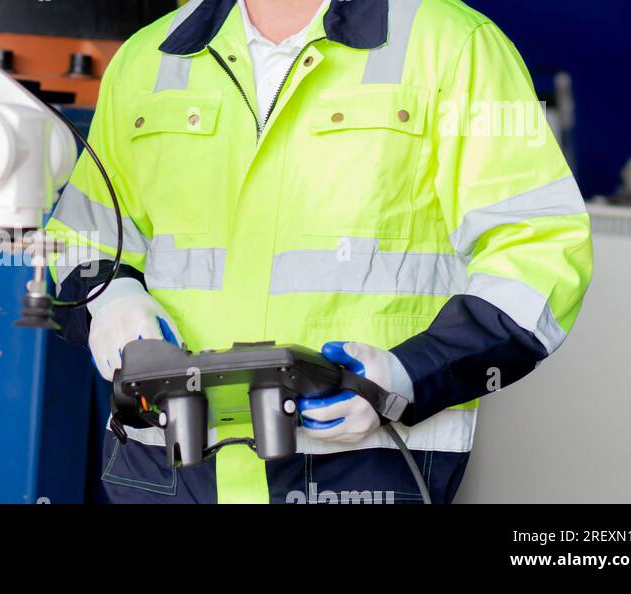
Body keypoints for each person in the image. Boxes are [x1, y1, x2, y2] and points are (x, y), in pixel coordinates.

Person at [45, 0, 593, 504]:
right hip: (162, 465)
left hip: (360, 468)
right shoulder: (150, 55)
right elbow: (83, 236)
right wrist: (108, 295)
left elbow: (539, 252)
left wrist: (407, 376)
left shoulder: (454, 46)